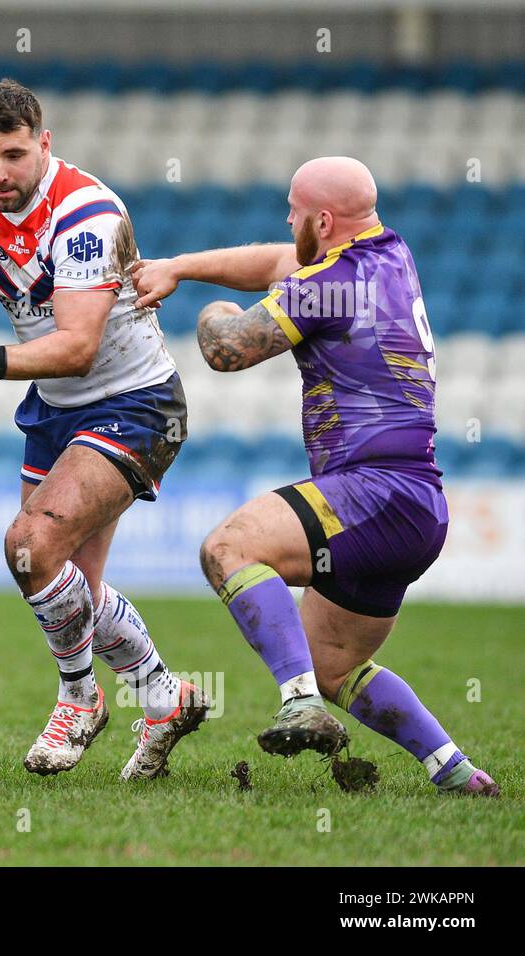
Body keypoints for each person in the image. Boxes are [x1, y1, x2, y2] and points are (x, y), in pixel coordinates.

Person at [131, 155, 498, 796]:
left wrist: (210, 308)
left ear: (322, 220)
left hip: (373, 493)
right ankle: (456, 771)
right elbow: (281, 260)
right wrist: (180, 267)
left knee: (228, 548)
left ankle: (298, 702)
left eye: (295, 213)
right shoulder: (390, 254)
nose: (287, 222)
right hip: (419, 508)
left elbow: (228, 350)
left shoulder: (323, 284)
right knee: (335, 662)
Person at [0, 80, 209, 779]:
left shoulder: (86, 214)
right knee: (64, 583)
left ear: (44, 143)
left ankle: (80, 698)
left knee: (27, 546)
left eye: (13, 154)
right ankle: (166, 695)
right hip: (55, 409)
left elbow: (77, 346)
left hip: (136, 403)